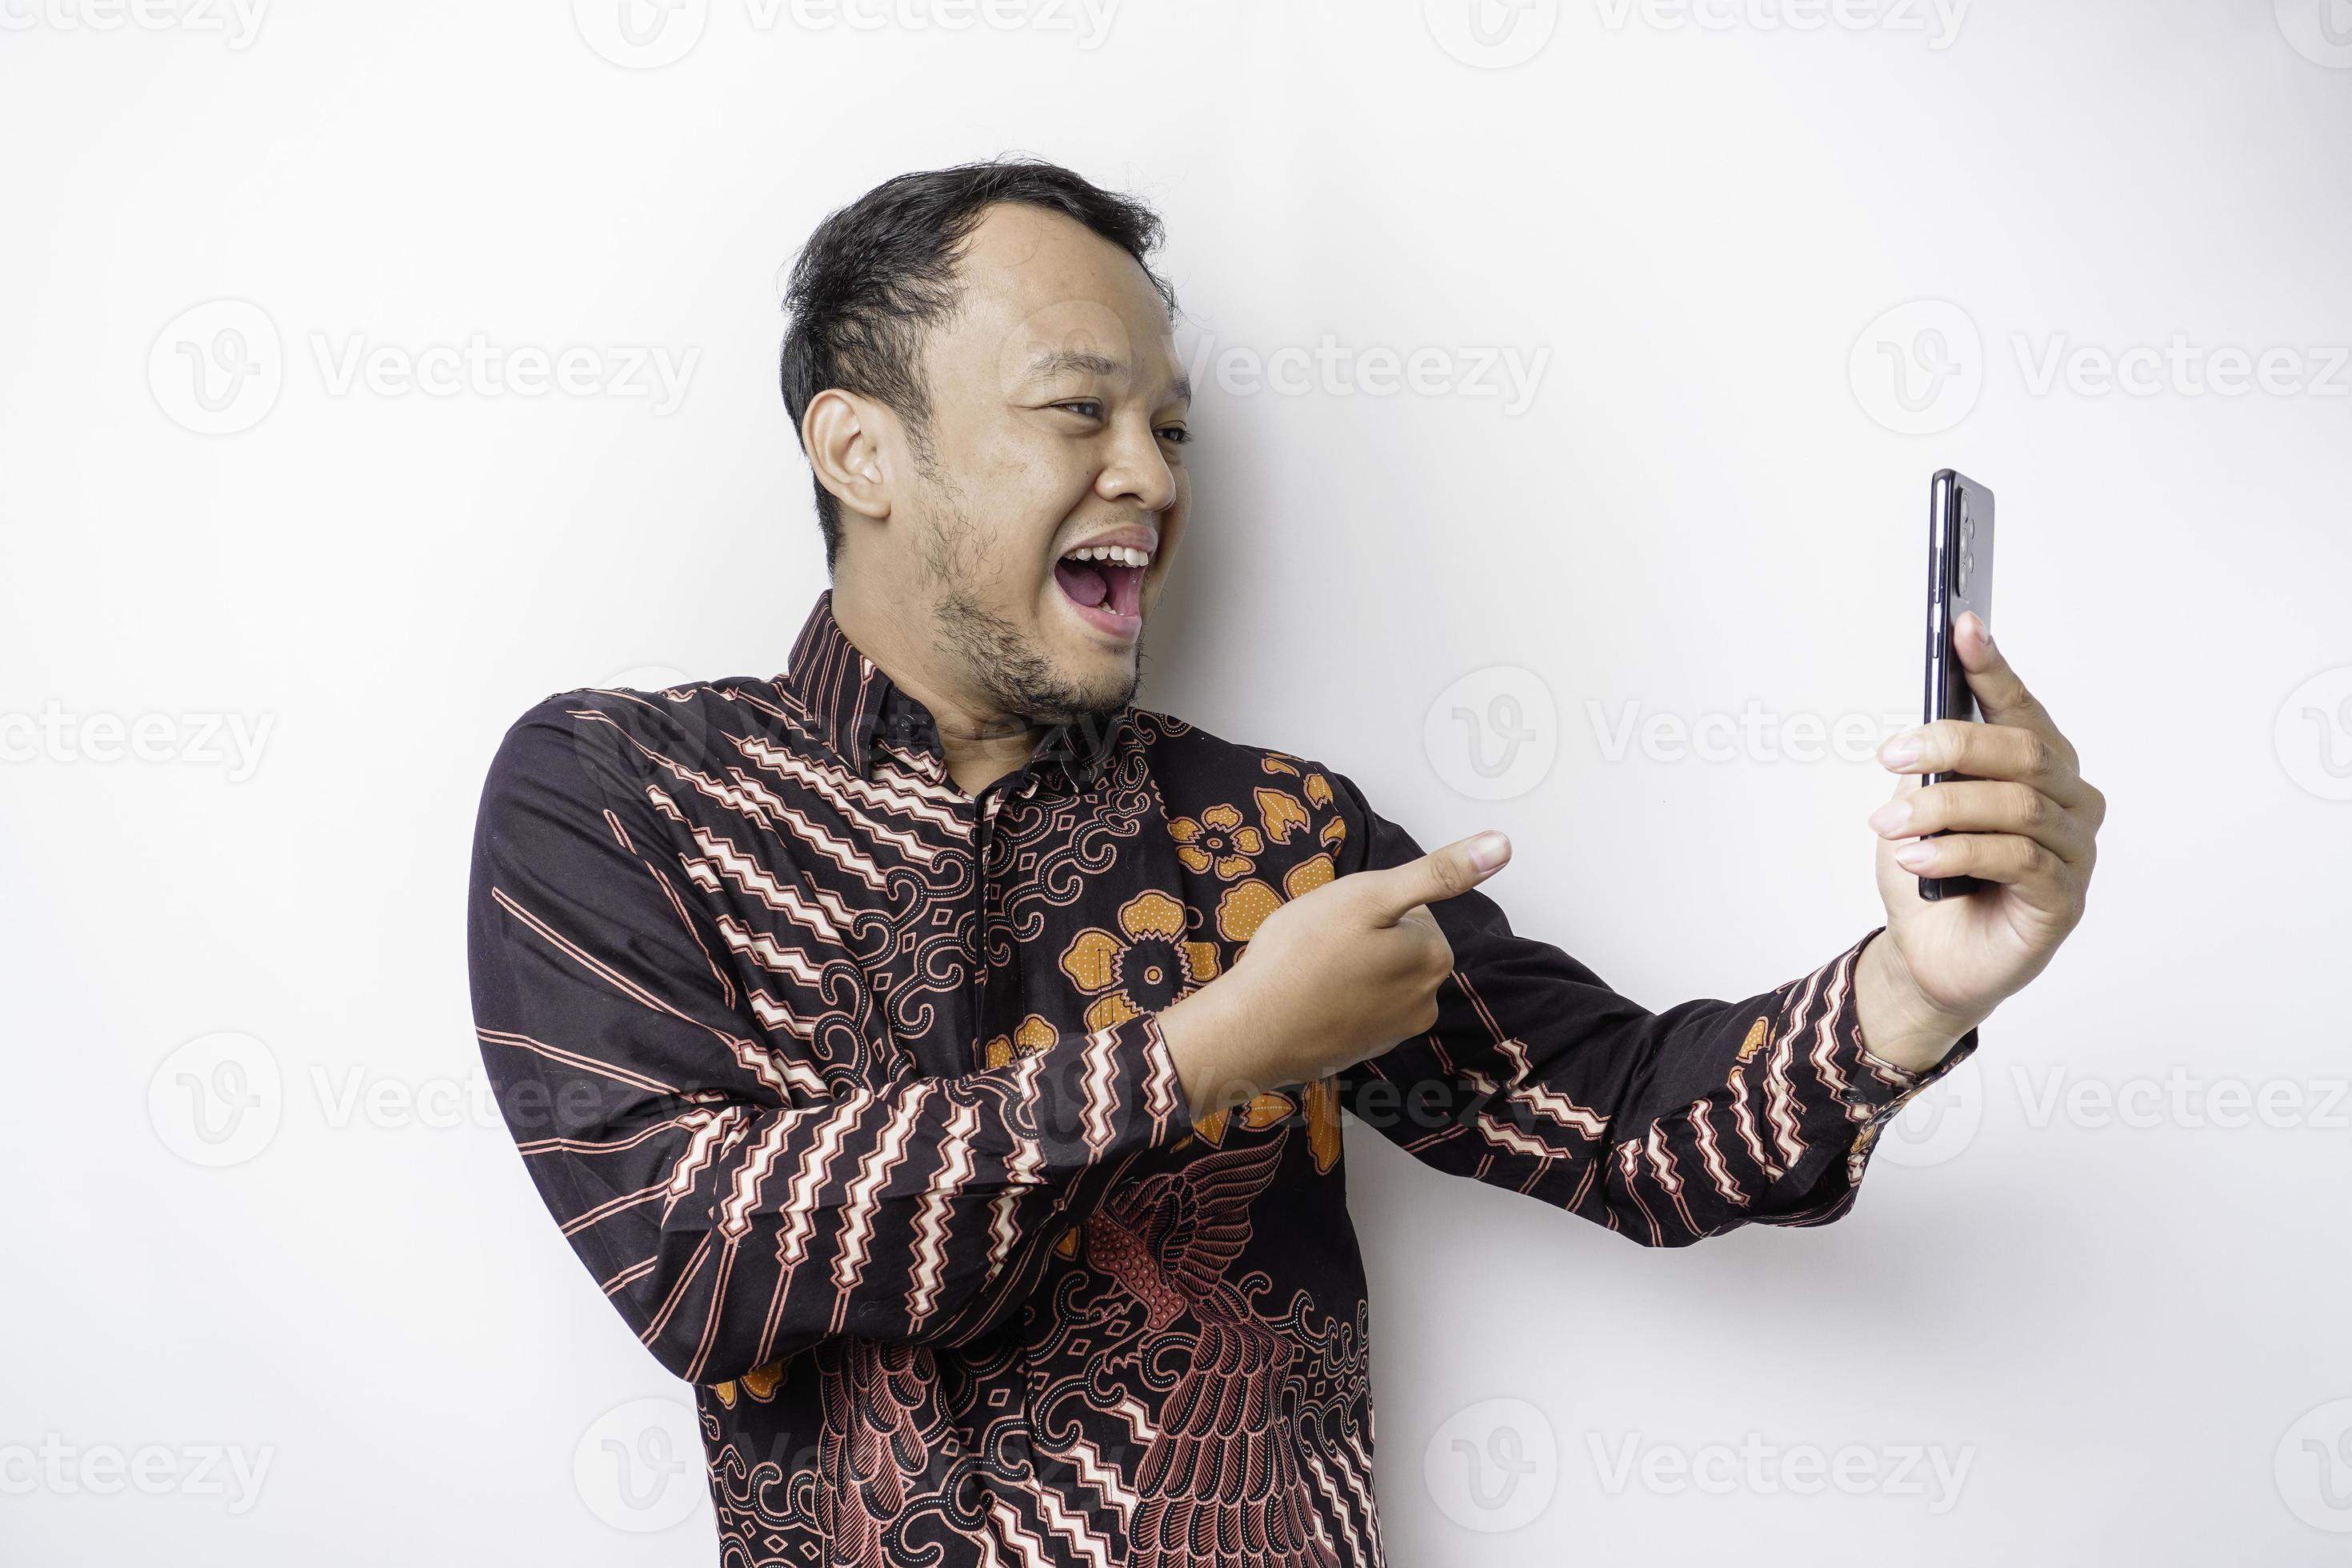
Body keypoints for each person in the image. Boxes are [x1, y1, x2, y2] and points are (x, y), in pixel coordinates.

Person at [466, 158, 2102, 1566]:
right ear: (859, 450)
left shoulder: (1280, 839)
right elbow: (686, 1247)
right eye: (1079, 408)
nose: (1153, 475)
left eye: (1168, 425)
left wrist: (1916, 989)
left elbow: (1629, 1135)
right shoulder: (620, 792)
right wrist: (1213, 1050)